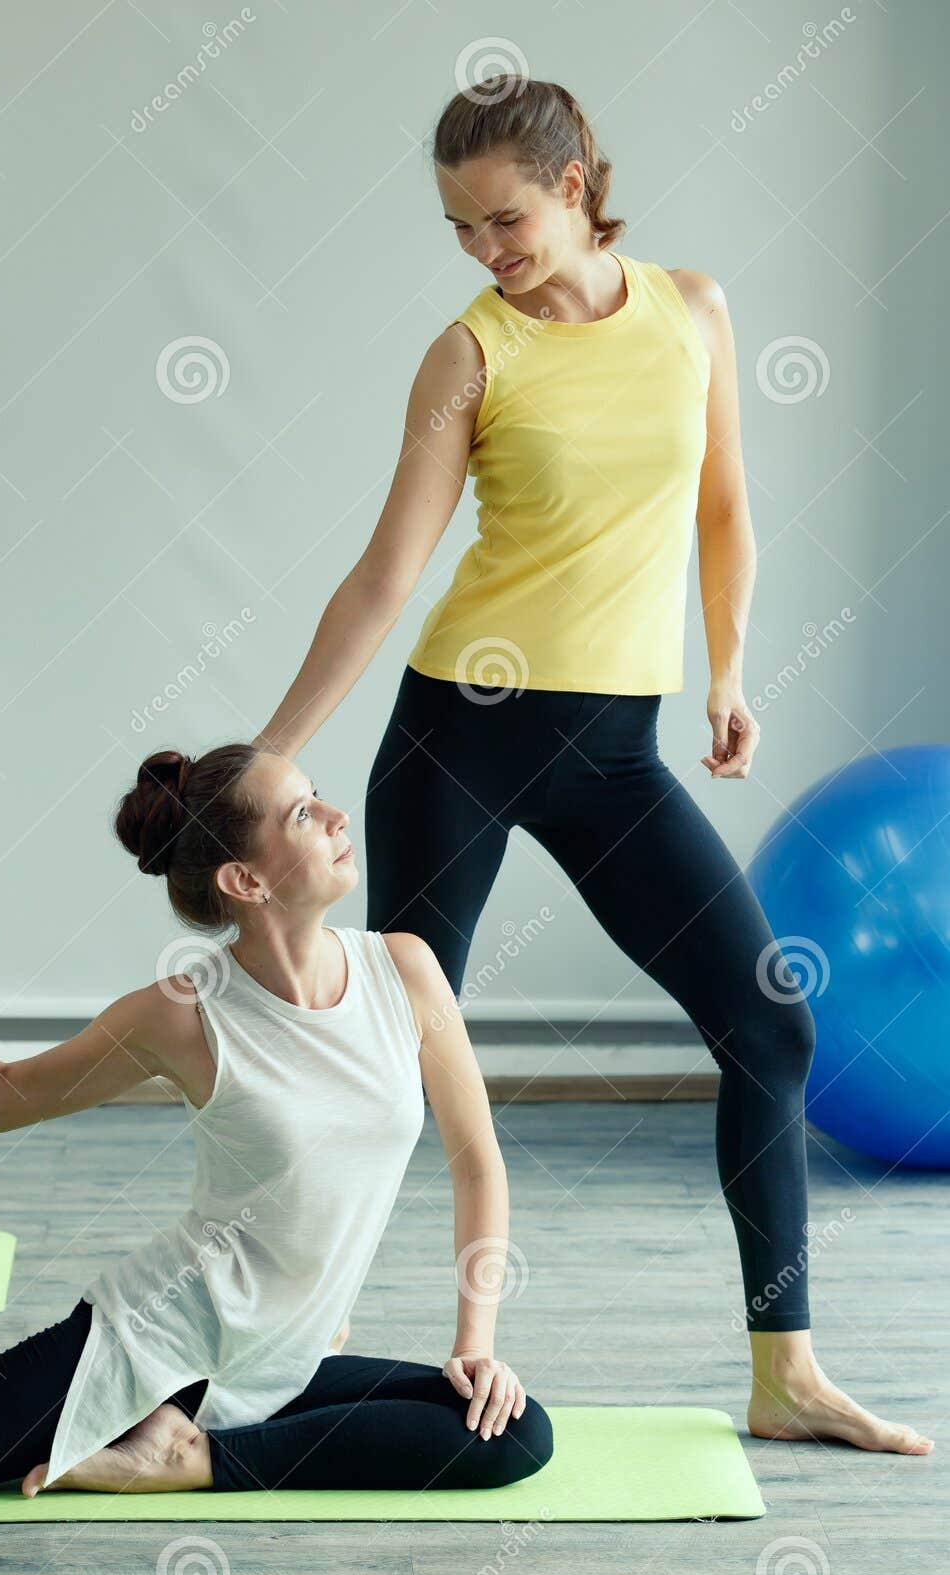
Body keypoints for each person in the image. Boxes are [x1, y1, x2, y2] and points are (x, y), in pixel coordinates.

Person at [252, 77, 931, 1457]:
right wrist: (275, 749)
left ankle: (782, 1368)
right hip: (458, 740)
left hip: (613, 751)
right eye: (457, 227)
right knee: (386, 1061)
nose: (484, 249)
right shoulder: (467, 354)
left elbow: (723, 503)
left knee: (768, 1026)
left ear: (575, 182)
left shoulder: (692, 310)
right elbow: (390, 574)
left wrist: (730, 670)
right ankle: (286, 1351)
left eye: (502, 217)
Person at [0, 743, 553, 1502]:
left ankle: (194, 1458)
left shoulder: (404, 970)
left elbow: (477, 1163)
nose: (336, 814)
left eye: (316, 796)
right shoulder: (186, 1012)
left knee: (511, 1430)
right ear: (245, 879)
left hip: (283, 1359)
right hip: (159, 1346)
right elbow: (2, 1094)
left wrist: (474, 1346)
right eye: (303, 814)